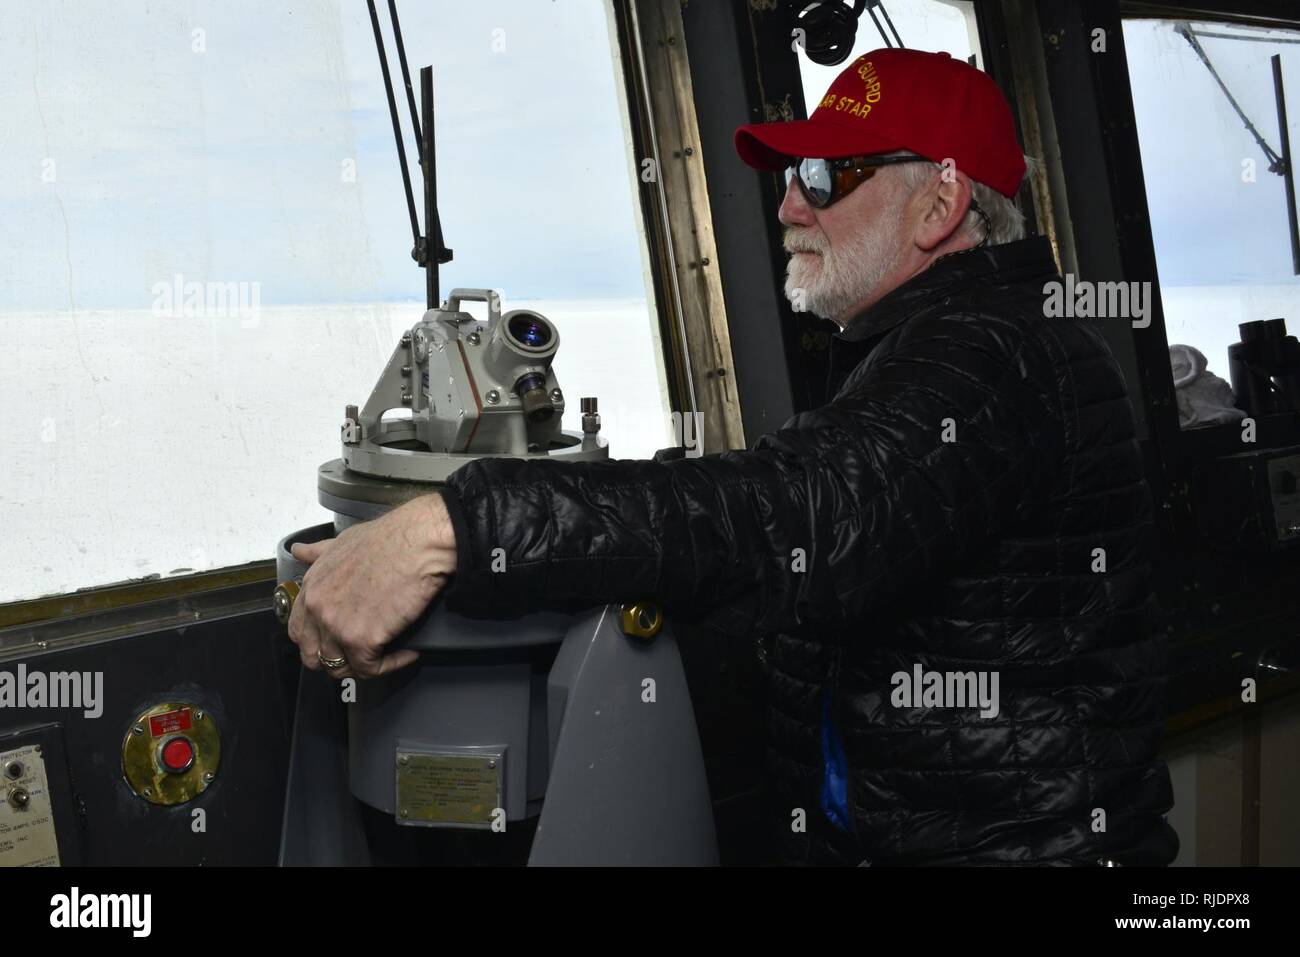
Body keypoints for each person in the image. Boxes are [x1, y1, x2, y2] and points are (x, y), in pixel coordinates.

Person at [288, 48, 1178, 866]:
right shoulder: (931, 347)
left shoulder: (994, 356)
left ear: (940, 204)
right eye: (795, 174)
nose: (791, 204)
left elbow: (806, 510)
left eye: (828, 176)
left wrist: (454, 525)